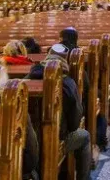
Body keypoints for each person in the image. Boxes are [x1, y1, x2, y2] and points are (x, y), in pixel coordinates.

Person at [27, 44, 91, 180]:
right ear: (65, 61)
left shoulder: (28, 78)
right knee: (84, 136)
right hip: (56, 138)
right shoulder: (68, 83)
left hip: (28, 142)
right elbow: (74, 123)